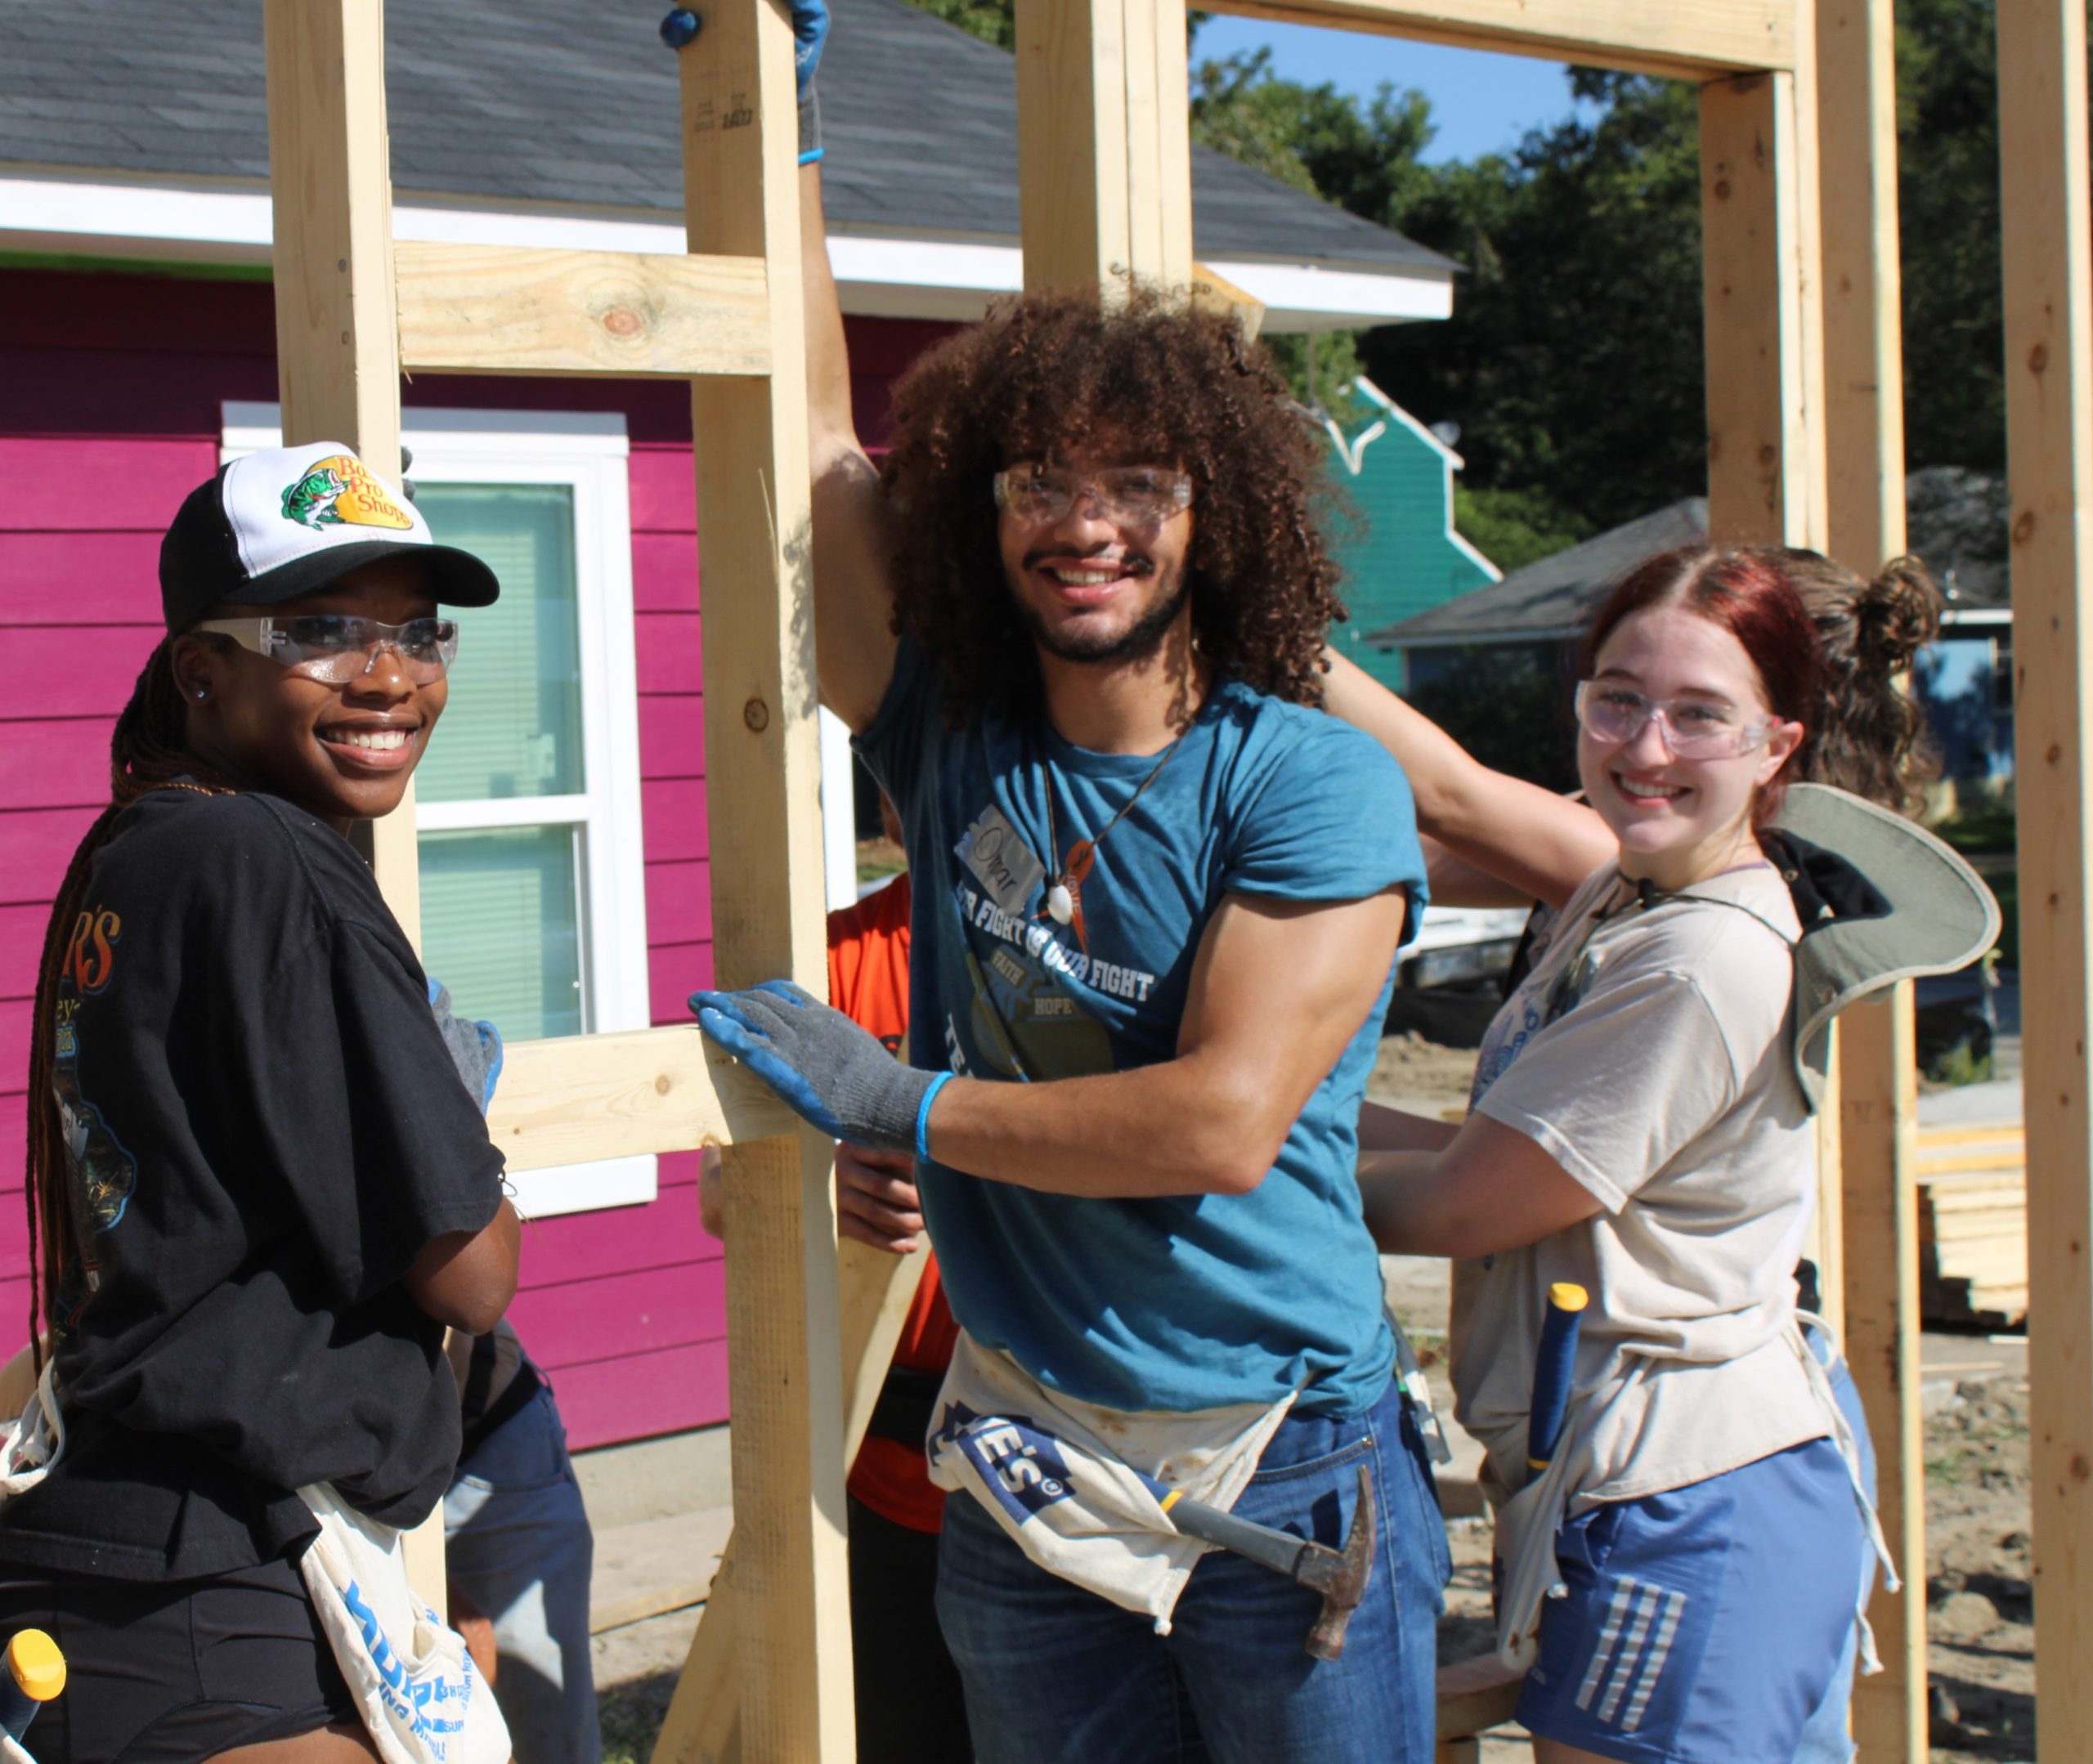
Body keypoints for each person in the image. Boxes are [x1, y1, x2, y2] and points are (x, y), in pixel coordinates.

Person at [689, 27, 1445, 1757]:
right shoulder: (947, 726)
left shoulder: (1304, 776)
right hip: (1027, 1471)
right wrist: (785, 128)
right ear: (983, 509)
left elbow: (1218, 1121)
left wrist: (905, 1102)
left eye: (1132, 484)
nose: (1080, 522)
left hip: (1280, 1466)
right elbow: (806, 435)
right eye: (1040, 481)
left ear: (1214, 513)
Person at [1339, 544, 1976, 1764]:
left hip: (1686, 1501)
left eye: (1698, 715)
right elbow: (1491, 1142)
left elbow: (1463, 1201)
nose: (1645, 745)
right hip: (1648, 1481)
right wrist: (1264, 1104)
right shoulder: (1632, 888)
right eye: (1617, 700)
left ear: (1777, 743)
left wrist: (1198, 1145)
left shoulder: (1704, 955)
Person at [0, 442, 520, 1762]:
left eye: (418, 630)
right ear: (202, 670)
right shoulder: (271, 860)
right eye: (321, 629)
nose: (390, 672)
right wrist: (461, 1132)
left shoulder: (143, 840)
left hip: (118, 1556)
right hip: (207, 1579)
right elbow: (468, 1272)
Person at [699, 845, 972, 1764]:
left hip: (1067, 1464)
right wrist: (818, 1181)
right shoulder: (832, 962)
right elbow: (714, 1184)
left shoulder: (1092, 954)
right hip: (878, 1465)